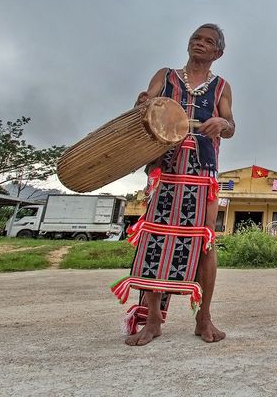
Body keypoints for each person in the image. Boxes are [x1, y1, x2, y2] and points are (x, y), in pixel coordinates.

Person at [113, 24, 235, 346]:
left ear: (218, 53)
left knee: (205, 240)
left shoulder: (221, 87)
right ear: (188, 44)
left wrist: (222, 123)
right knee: (154, 236)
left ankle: (203, 317)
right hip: (164, 165)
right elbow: (145, 107)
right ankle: (152, 320)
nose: (200, 43)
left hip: (202, 169)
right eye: (196, 38)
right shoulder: (166, 76)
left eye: (208, 41)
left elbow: (231, 126)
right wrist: (141, 101)